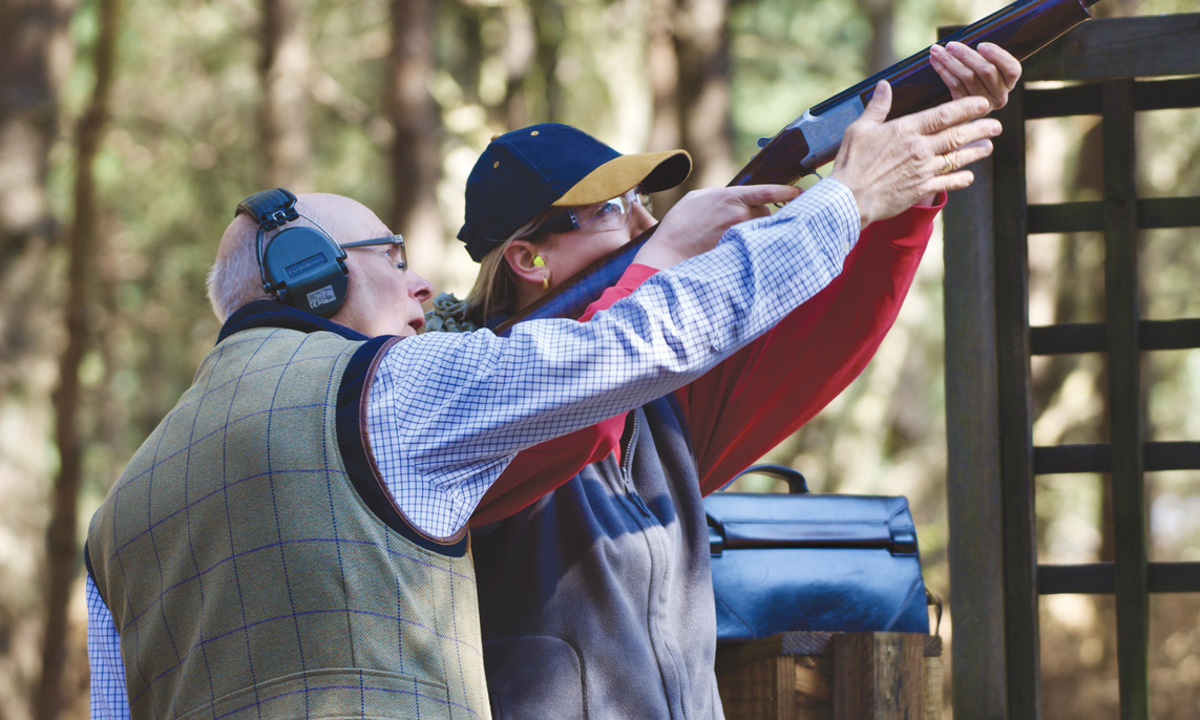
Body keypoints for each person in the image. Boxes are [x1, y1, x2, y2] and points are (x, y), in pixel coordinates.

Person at [84, 79, 1000, 720]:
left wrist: (905, 193)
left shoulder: (123, 509)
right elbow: (615, 362)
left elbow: (817, 343)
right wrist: (826, 204)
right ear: (312, 277)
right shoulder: (412, 396)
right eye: (390, 258)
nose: (417, 280)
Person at [449, 43, 1021, 719]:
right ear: (528, 259)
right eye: (611, 210)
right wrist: (662, 264)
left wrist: (906, 184)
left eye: (641, 201)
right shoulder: (475, 401)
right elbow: (579, 403)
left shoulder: (657, 405)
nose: (649, 223)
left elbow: (825, 338)